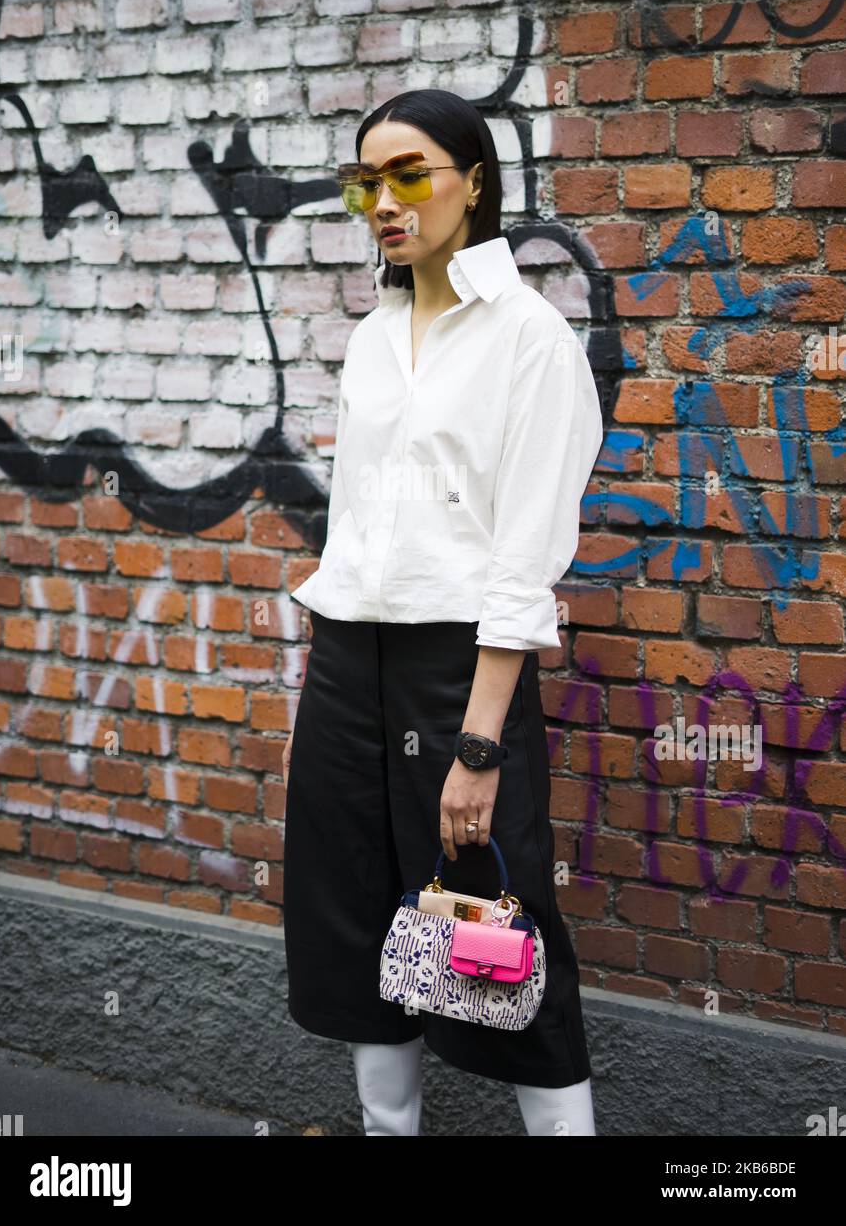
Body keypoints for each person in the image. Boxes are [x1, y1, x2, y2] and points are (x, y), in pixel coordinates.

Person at [281, 88, 603, 1136]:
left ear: (473, 179)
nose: (382, 198)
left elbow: (522, 556)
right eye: (363, 179)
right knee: (355, 911)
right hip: (346, 663)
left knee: (493, 924)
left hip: (459, 667)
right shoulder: (375, 337)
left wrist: (478, 738)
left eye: (407, 171)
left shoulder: (529, 340)